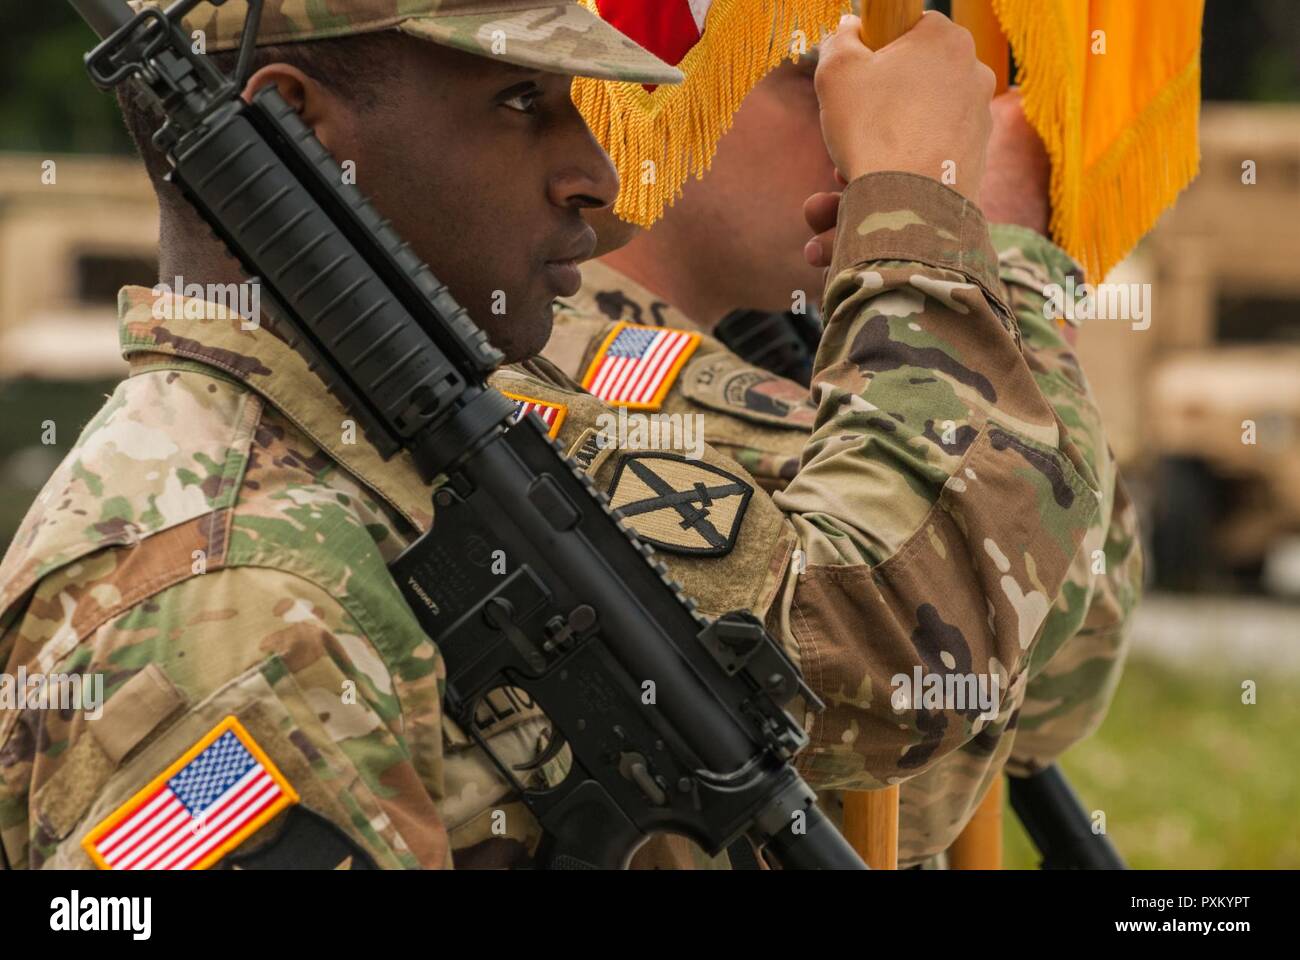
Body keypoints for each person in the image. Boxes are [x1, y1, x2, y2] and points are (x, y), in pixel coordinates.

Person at [0, 4, 1097, 870]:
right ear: (297, 123)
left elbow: (875, 657)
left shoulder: (435, 449)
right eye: (522, 101)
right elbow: (911, 633)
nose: (597, 176)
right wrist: (919, 210)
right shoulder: (223, 589)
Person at [548, 62, 1142, 864]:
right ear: (639, 82)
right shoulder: (586, 374)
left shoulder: (789, 346)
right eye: (809, 71)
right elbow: (915, 714)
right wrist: (1000, 264)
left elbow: (1065, 679)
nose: (864, 110)